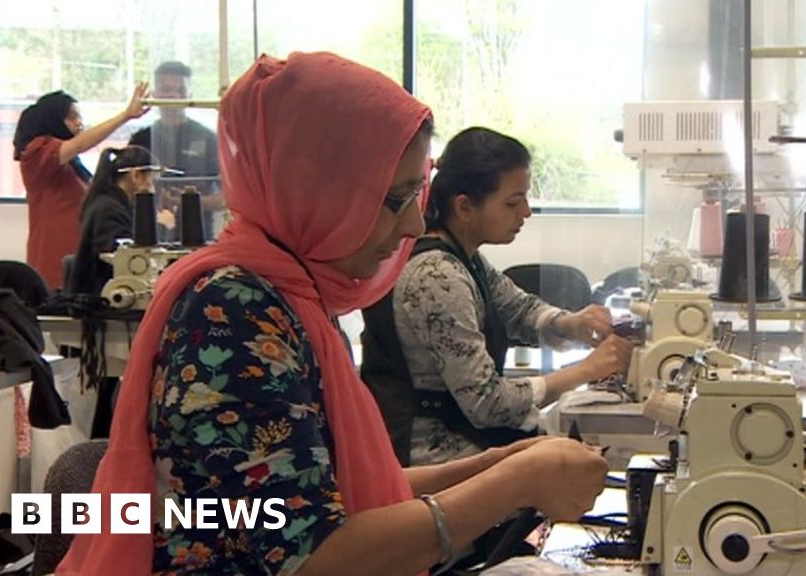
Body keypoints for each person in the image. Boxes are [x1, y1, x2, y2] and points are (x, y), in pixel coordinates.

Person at [58, 52, 607, 576]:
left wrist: (496, 466)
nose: (414, 226)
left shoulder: (290, 296)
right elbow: (314, 558)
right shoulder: (232, 312)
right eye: (395, 200)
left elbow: (322, 489)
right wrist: (514, 483)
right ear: (314, 191)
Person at [361, 126, 634, 467]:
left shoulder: (464, 258)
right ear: (464, 207)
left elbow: (517, 309)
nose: (526, 213)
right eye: (512, 203)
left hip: (462, 434)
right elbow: (488, 402)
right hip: (430, 454)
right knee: (572, 466)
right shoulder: (437, 276)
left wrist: (571, 323)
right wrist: (583, 372)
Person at [14, 84, 150, 290]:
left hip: (78, 259)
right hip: (54, 258)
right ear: (51, 119)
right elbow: (79, 144)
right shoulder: (36, 154)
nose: (79, 124)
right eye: (72, 117)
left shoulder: (71, 165)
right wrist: (125, 116)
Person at [129, 61, 223, 242]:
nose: (173, 96)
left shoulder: (208, 139)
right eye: (166, 89)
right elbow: (125, 191)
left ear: (190, 95)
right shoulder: (140, 140)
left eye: (180, 91)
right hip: (149, 239)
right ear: (156, 94)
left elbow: (227, 198)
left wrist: (189, 203)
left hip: (198, 239)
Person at [69, 145, 174, 297]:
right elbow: (122, 256)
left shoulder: (114, 205)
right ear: (136, 175)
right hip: (102, 299)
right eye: (152, 180)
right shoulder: (109, 209)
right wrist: (161, 226)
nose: (154, 188)